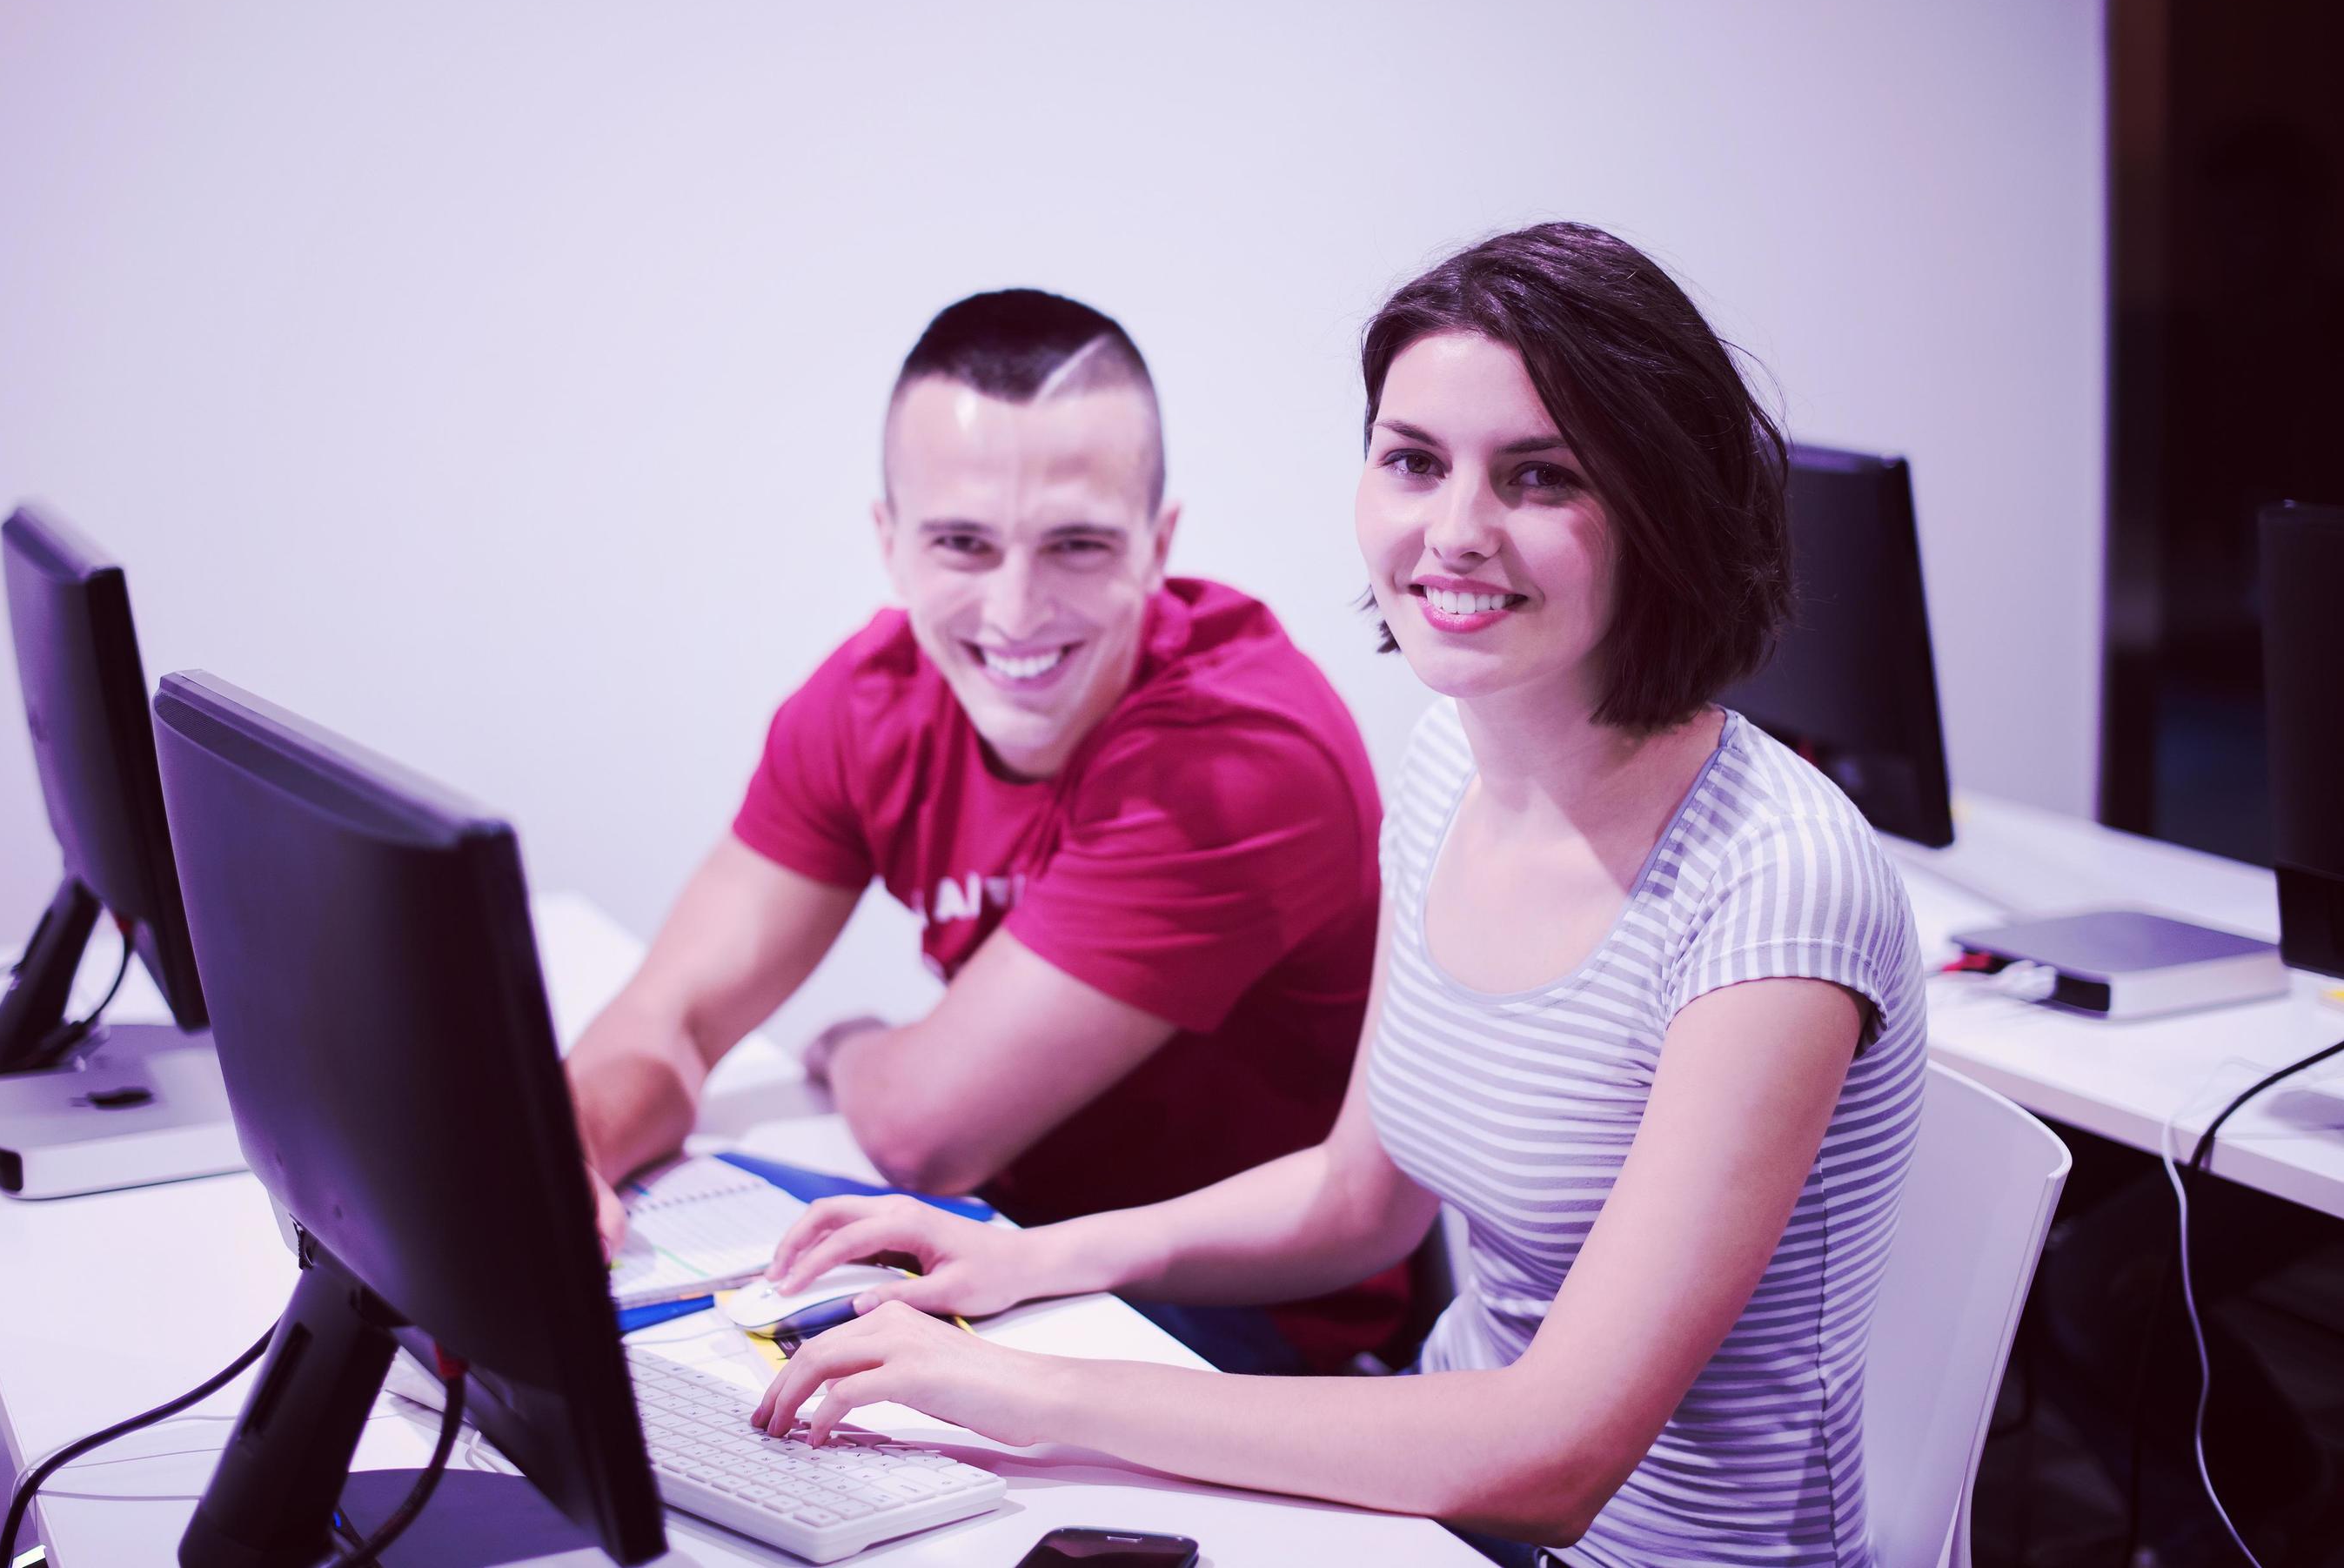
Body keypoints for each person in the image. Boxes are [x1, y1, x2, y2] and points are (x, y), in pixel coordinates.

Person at [747, 224, 1931, 1568]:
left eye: (1541, 476)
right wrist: (1029, 1261)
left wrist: (1025, 1393)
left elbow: (1555, 1458)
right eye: (1414, 461)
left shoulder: (1776, 884)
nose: (1455, 532)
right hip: (1426, 1523)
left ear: (1664, 508)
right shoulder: (1446, 769)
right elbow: (1359, 1199)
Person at [566, 288, 1409, 1375]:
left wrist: (848, 1045)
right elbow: (667, 1016)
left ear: (1157, 546)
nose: (1015, 611)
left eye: (1075, 544)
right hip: (994, 1242)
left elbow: (926, 1131)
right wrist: (565, 1154)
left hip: (1234, 1325)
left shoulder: (1238, 757)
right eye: (963, 543)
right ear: (890, 543)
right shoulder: (868, 700)